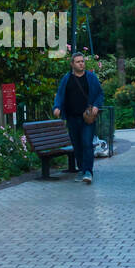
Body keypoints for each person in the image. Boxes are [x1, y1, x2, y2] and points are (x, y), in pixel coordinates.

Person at [53, 52, 105, 184]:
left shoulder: (91, 77)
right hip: (71, 117)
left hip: (87, 117)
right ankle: (82, 169)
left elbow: (100, 94)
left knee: (87, 143)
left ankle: (88, 171)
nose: (81, 63)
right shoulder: (67, 79)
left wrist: (96, 106)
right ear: (72, 64)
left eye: (82, 61)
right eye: (78, 61)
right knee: (77, 145)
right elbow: (60, 94)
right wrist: (57, 107)